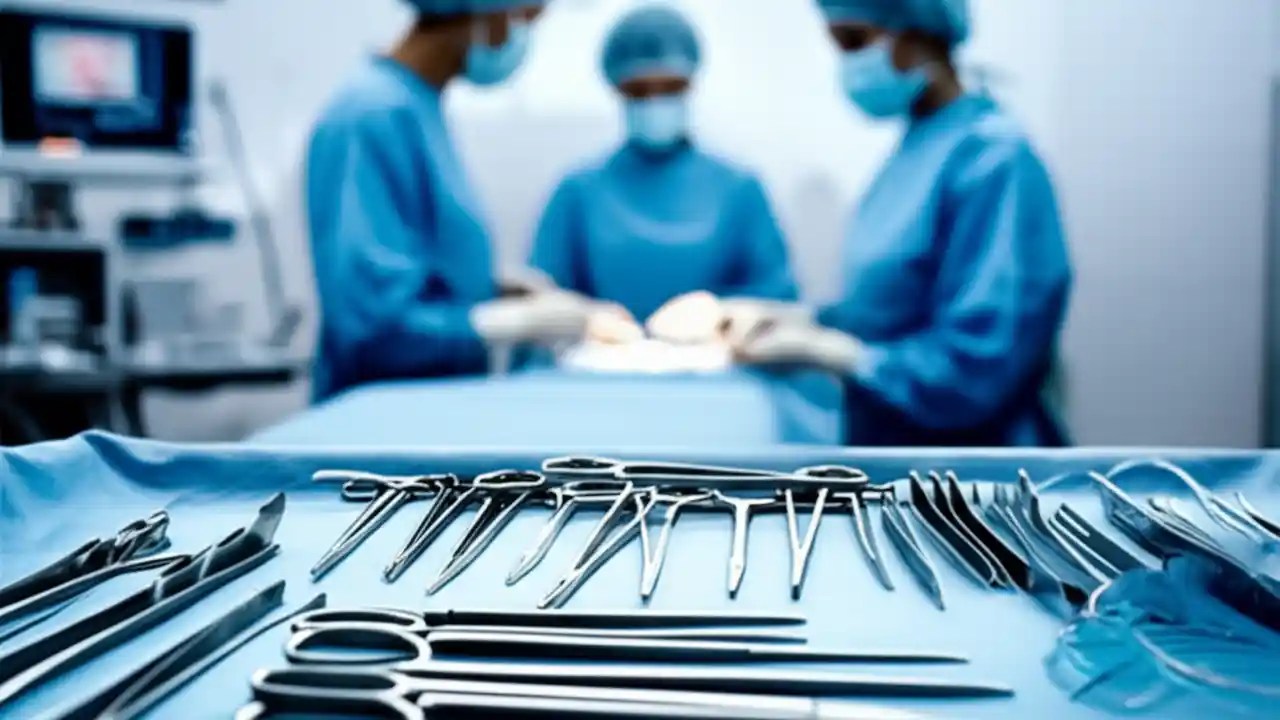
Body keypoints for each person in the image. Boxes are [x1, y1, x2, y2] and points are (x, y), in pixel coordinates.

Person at [729, 0, 1072, 446]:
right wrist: (800, 321)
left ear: (919, 34)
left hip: (971, 465)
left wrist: (840, 353)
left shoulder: (994, 159)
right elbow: (889, 308)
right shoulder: (918, 148)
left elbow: (981, 364)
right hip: (895, 449)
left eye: (854, 41)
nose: (846, 61)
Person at [306, 0, 602, 401]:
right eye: (526, 19)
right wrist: (506, 322)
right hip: (379, 416)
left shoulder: (417, 104)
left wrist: (486, 287)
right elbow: (371, 326)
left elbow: (415, 259)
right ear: (486, 12)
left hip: (427, 404)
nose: (523, 38)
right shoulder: (369, 115)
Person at [528, 4, 798, 330]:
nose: (655, 102)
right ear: (618, 90)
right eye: (640, 91)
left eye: (670, 88)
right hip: (601, 361)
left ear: (690, 85)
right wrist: (595, 326)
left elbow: (777, 301)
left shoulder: (740, 190)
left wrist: (721, 321)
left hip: (720, 362)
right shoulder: (578, 192)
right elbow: (544, 304)